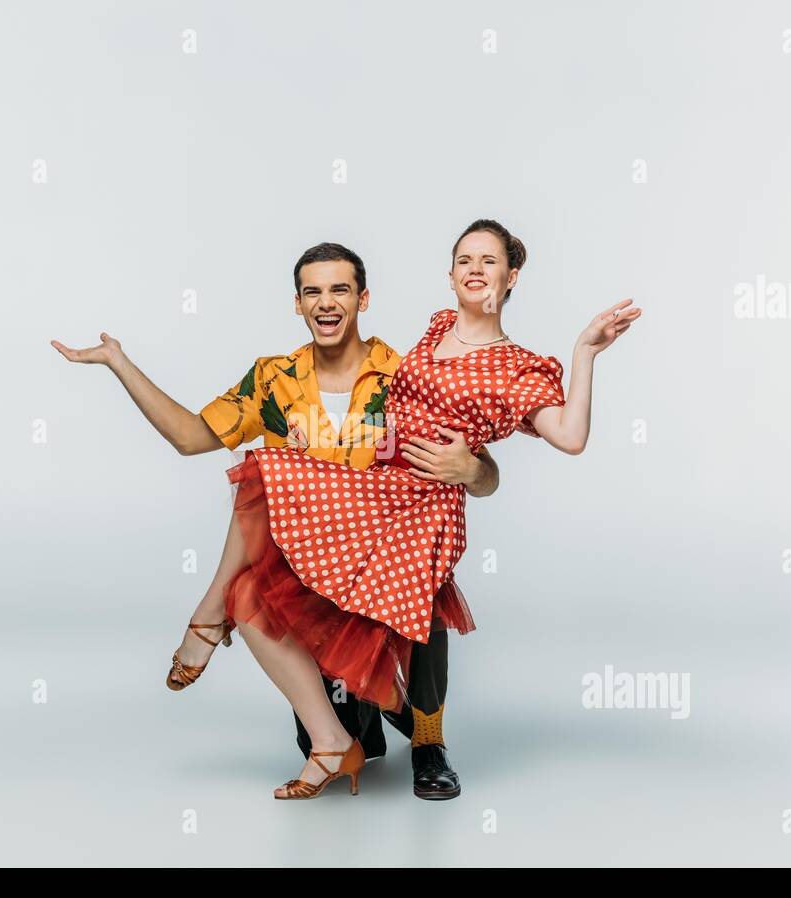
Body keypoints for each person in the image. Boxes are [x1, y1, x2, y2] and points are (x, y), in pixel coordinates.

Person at [192, 218, 641, 799]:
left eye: (488, 261)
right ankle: (360, 722)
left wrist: (584, 353)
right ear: (451, 277)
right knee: (271, 489)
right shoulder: (433, 332)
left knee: (418, 601)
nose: (475, 270)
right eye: (464, 260)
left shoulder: (517, 367)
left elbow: (570, 436)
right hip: (374, 484)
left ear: (511, 278)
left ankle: (428, 744)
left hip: (425, 501)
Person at [51, 242, 499, 799]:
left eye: (339, 289)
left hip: (384, 568)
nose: (326, 303)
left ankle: (428, 741)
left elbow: (484, 476)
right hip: (312, 573)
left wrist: (471, 470)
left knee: (426, 581)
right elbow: (191, 437)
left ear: (363, 299)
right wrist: (120, 363)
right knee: (252, 554)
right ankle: (336, 735)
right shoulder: (273, 380)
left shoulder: (405, 375)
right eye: (313, 291)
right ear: (298, 304)